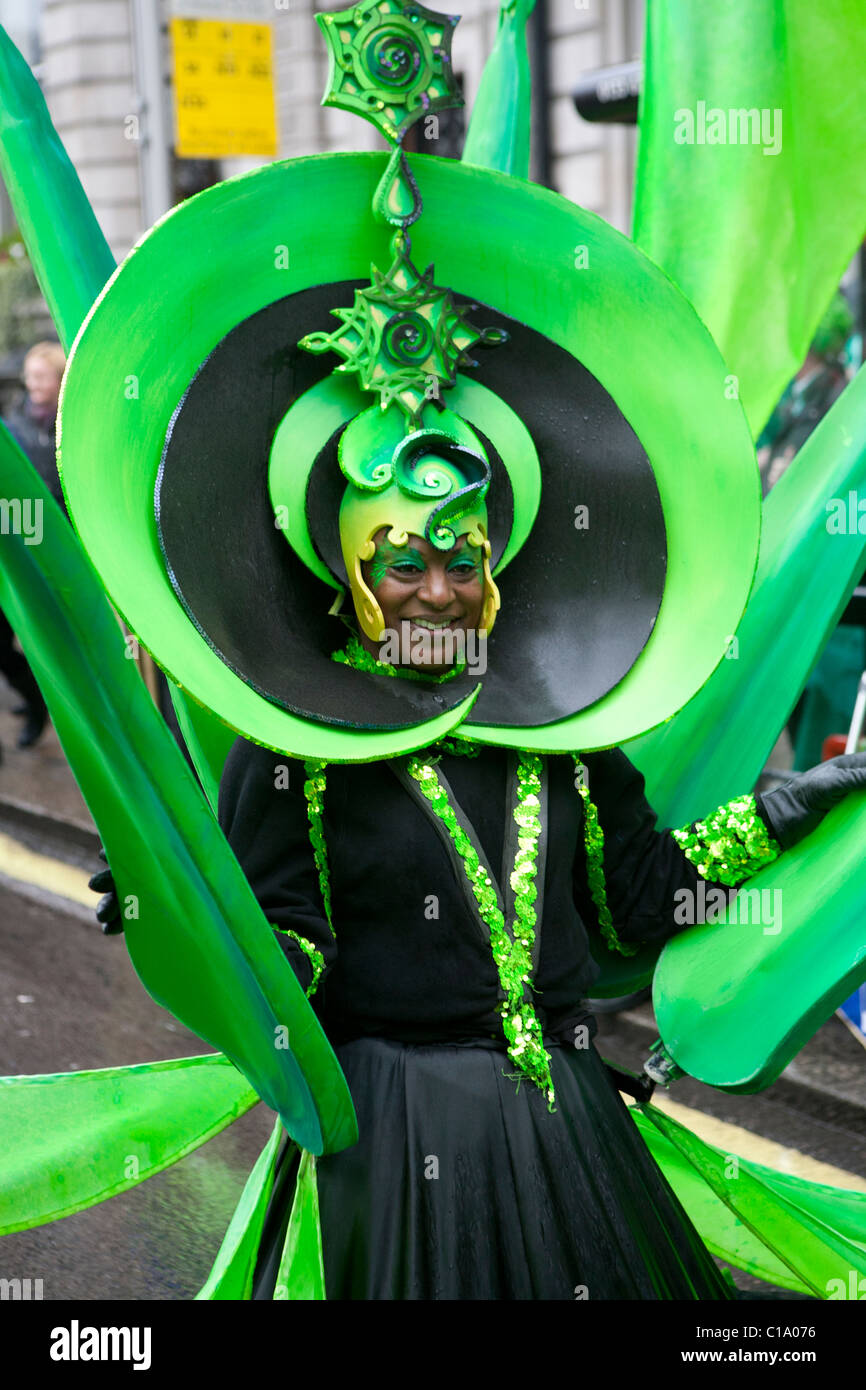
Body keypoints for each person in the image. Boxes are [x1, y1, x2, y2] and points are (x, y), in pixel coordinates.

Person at [0, 340, 65, 749]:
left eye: (41, 375)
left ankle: (56, 701)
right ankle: (34, 695)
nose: (31, 382)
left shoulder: (70, 425)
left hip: (57, 551)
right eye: (29, 374)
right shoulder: (13, 423)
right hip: (15, 548)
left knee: (51, 639)